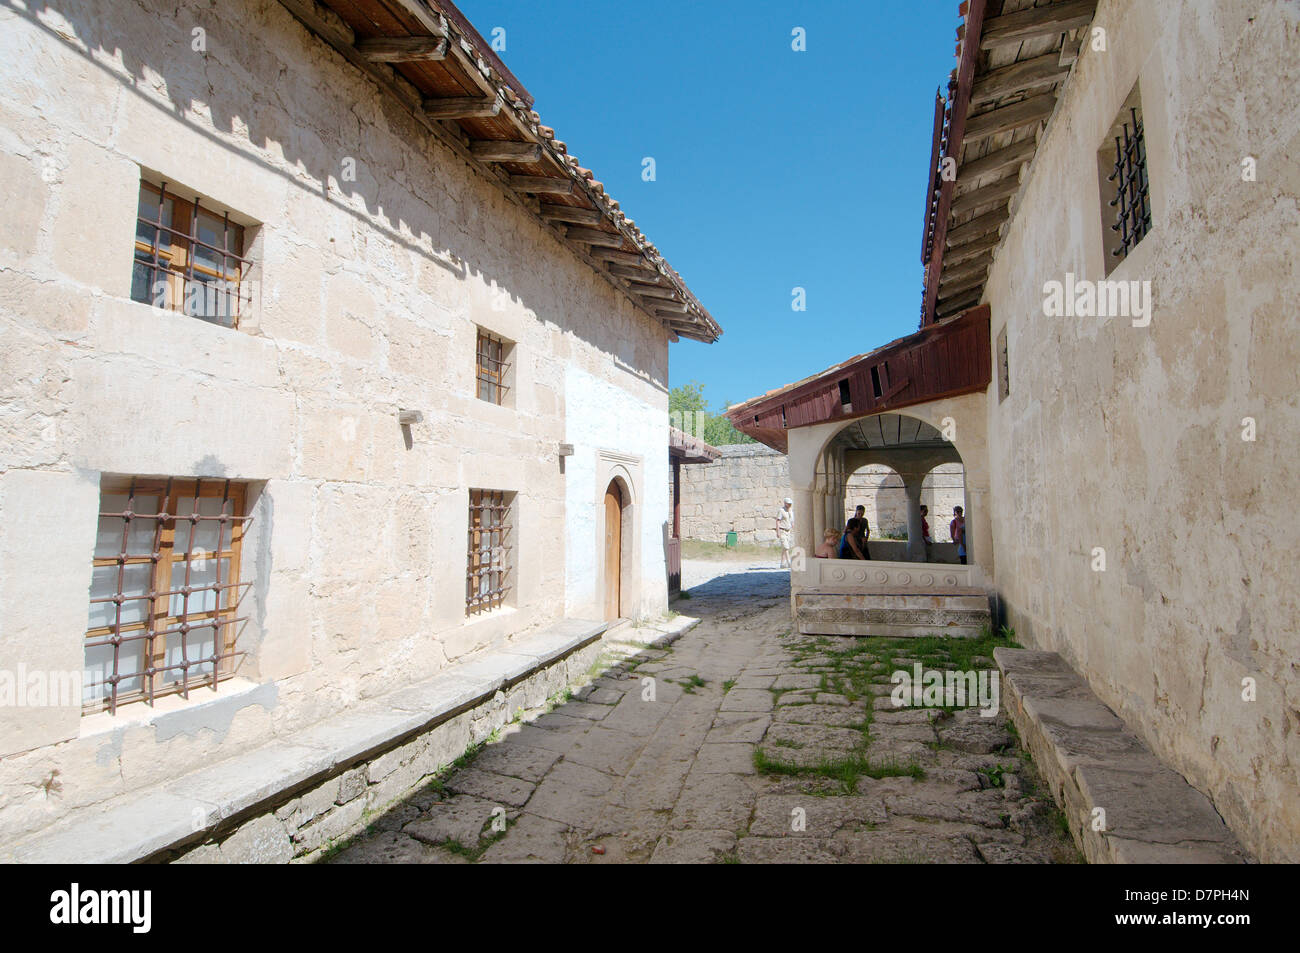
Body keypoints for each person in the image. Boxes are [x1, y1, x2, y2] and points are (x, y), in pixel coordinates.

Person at [776, 497, 794, 568]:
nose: (789, 505)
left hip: (788, 531)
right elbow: (777, 521)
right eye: (788, 503)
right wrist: (778, 532)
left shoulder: (791, 511)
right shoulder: (781, 511)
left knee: (784, 547)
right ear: (785, 503)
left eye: (790, 504)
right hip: (782, 530)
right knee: (786, 547)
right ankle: (789, 562)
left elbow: (791, 521)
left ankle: (782, 563)